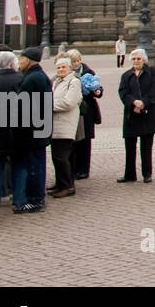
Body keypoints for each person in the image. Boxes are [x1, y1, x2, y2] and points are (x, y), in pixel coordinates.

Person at [0, 51, 27, 210]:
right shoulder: (22, 80)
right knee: (20, 164)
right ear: (12, 64)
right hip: (18, 130)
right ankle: (19, 198)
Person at [15, 48, 50, 213]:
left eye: (20, 59)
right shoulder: (39, 76)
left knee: (34, 166)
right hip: (39, 128)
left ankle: (35, 200)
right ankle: (36, 198)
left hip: (32, 130)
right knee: (37, 164)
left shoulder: (32, 79)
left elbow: (23, 107)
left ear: (28, 60)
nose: (18, 63)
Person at [118, 48, 155, 183]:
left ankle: (147, 174)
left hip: (148, 113)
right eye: (134, 59)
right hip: (131, 114)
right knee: (130, 146)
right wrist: (133, 102)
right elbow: (123, 92)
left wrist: (143, 103)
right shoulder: (126, 75)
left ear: (144, 60)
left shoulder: (153, 72)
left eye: (139, 59)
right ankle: (129, 174)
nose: (136, 61)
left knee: (146, 146)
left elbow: (154, 91)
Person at [66, 49, 102, 181]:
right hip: (73, 110)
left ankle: (84, 169)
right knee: (74, 141)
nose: (76, 63)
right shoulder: (67, 73)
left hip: (86, 111)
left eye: (77, 60)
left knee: (85, 141)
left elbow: (97, 87)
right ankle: (74, 168)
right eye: (73, 61)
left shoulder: (88, 72)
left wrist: (97, 91)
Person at [49, 56, 82, 199]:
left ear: (69, 68)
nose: (61, 70)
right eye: (58, 67)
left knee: (62, 157)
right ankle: (59, 183)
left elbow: (69, 102)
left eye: (63, 67)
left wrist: (49, 105)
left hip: (66, 124)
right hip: (56, 124)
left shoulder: (74, 82)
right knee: (56, 157)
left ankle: (68, 186)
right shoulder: (56, 81)